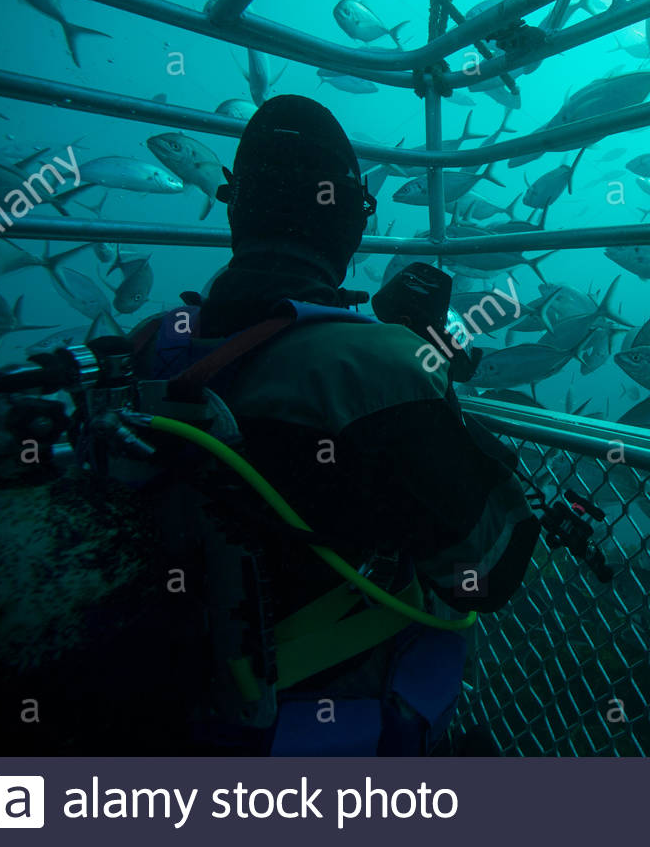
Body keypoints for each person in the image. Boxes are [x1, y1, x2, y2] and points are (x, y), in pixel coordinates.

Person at [126, 95, 540, 756]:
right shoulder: (382, 369)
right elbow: (487, 569)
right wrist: (419, 367)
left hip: (174, 721)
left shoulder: (153, 344)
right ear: (349, 219)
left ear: (235, 207)